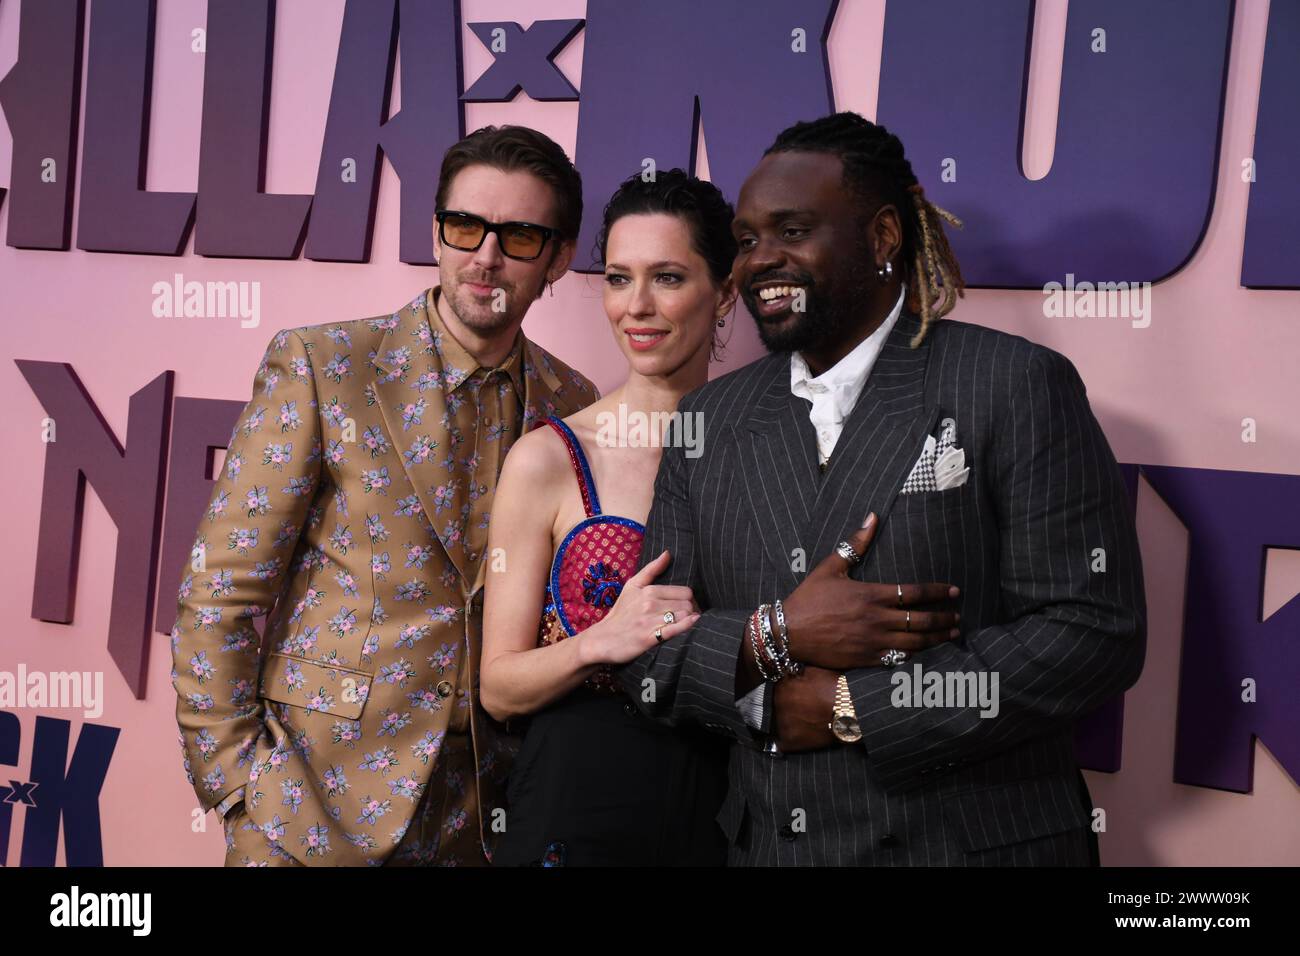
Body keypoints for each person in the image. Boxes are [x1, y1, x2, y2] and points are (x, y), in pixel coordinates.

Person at [620, 112, 1147, 866]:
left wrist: (856, 708)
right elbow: (649, 654)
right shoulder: (709, 418)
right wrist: (775, 635)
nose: (759, 262)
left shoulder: (1012, 384)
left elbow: (1093, 634)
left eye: (792, 231)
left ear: (883, 238)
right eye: (745, 241)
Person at [169, 125, 599, 866]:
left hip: (482, 819)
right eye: (465, 227)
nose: (484, 257)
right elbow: (222, 588)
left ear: (558, 257)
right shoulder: (324, 364)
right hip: (307, 807)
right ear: (436, 231)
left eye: (520, 236)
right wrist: (238, 785)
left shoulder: (573, 402)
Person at [480, 169, 738, 865]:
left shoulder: (774, 454)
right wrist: (600, 642)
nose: (638, 307)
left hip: (733, 799)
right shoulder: (549, 458)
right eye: (620, 279)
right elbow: (498, 687)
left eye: (669, 278)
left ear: (727, 293)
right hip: (579, 797)